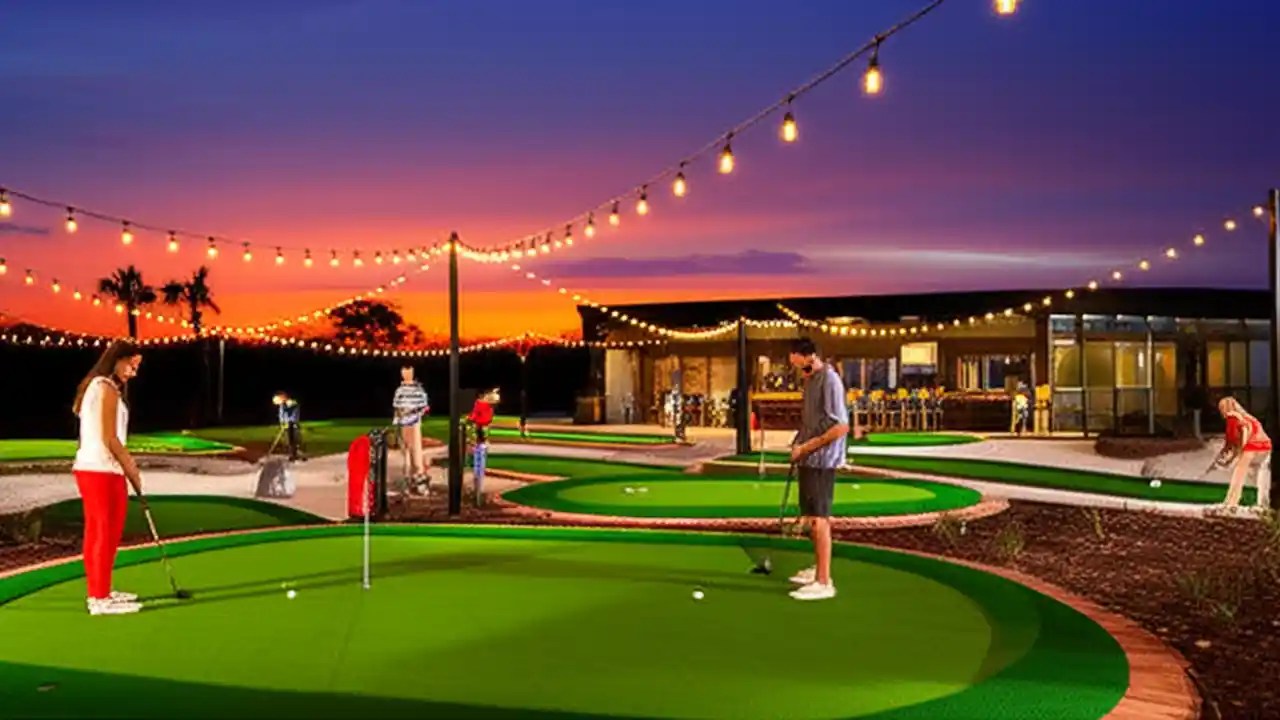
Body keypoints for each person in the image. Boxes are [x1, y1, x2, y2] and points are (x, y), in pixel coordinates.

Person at [71, 339, 145, 616]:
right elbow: (109, 437)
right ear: (117, 359)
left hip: (93, 468)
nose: (133, 372)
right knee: (105, 533)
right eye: (132, 365)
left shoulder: (95, 386)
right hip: (103, 470)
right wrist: (132, 470)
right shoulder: (106, 388)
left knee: (98, 533)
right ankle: (99, 600)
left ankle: (100, 591)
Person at [787, 338, 850, 601]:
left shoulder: (830, 380)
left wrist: (807, 447)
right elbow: (811, 421)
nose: (795, 368)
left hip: (823, 460)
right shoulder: (810, 381)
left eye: (797, 361)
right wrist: (797, 444)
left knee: (819, 519)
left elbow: (840, 427)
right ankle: (818, 569)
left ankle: (824, 582)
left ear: (809, 356)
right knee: (811, 517)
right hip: (808, 457)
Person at [1211, 396, 1272, 513]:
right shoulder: (1248, 416)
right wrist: (1233, 457)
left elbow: (1243, 431)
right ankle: (1263, 505)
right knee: (1261, 476)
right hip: (1266, 446)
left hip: (1252, 446)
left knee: (1238, 474)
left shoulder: (1232, 416)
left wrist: (1241, 450)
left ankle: (1231, 503)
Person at [392, 365, 430, 494]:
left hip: (414, 423)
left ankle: (419, 478)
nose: (406, 374)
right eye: (404, 371)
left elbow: (425, 406)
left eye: (408, 372)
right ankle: (407, 479)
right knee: (406, 454)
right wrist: (397, 423)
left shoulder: (418, 389)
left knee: (416, 452)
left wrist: (415, 412)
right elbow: (396, 408)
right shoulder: (400, 390)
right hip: (403, 423)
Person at [468, 389, 497, 504]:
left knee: (478, 465)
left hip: (480, 439)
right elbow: (478, 418)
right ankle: (477, 491)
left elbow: (476, 418)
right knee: (479, 464)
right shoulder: (484, 407)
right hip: (480, 439)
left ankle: (478, 491)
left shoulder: (485, 407)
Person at [274, 392, 302, 461]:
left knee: (295, 439)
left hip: (293, 424)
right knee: (288, 440)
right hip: (286, 425)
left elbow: (293, 412)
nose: (277, 402)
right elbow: (281, 415)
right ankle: (291, 454)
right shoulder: (282, 406)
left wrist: (290, 422)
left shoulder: (292, 402)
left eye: (278, 400)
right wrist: (282, 423)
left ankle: (295, 453)